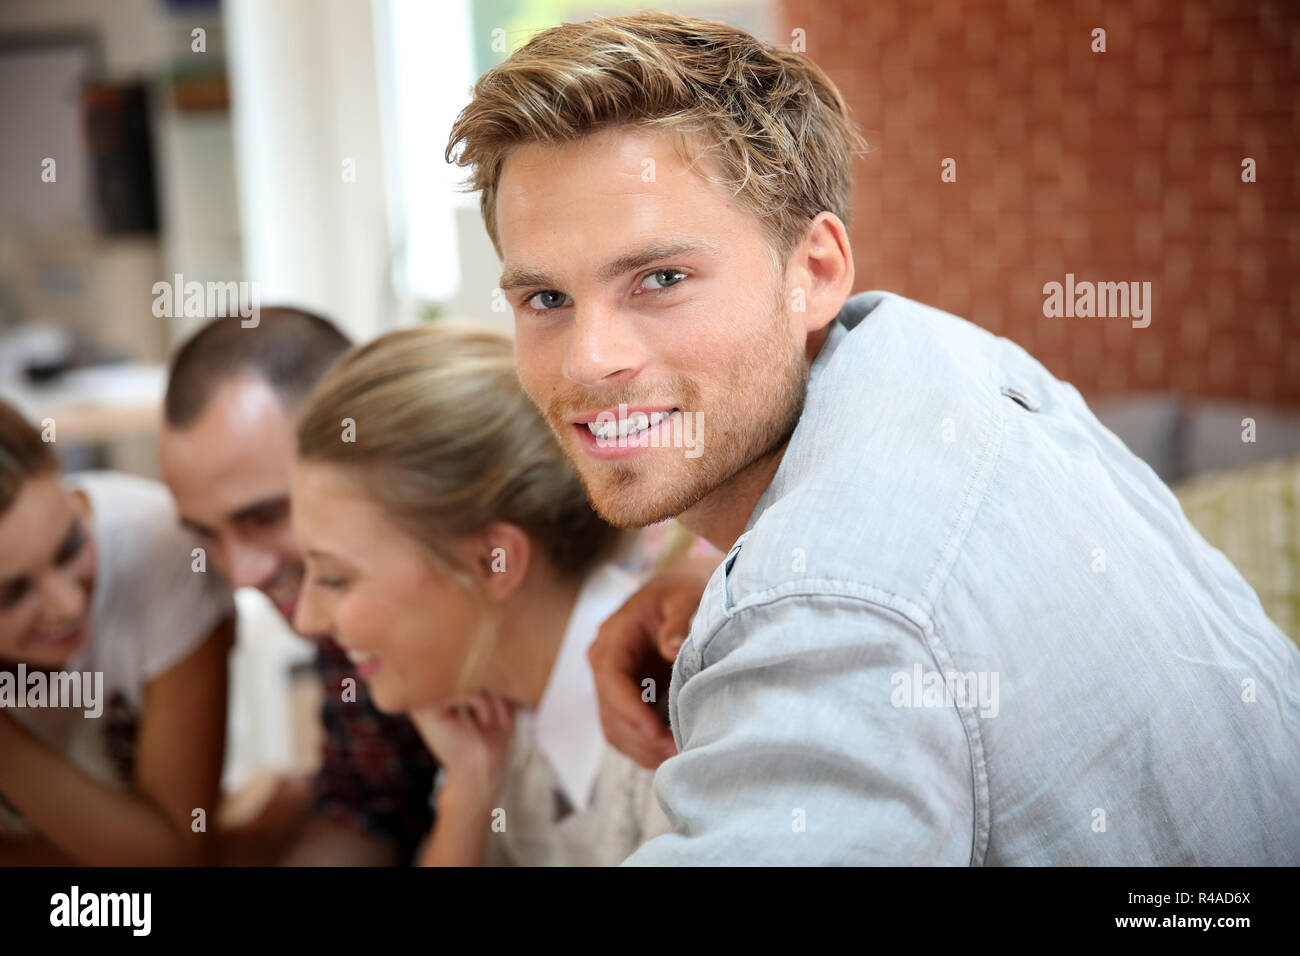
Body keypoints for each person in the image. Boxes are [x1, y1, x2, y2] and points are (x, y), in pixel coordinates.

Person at [445, 12, 1300, 864]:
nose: (591, 362)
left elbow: (851, 602)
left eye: (662, 279)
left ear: (814, 271)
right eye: (546, 300)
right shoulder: (935, 356)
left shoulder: (828, 614)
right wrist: (710, 582)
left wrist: (774, 598)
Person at [291, 324, 672, 865]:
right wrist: (469, 790)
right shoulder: (496, 718)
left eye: (335, 578)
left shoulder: (674, 730)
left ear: (492, 563)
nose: (306, 619)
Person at [159, 308, 438, 865]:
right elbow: (370, 809)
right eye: (207, 534)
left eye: (264, 517)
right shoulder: (337, 613)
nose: (242, 575)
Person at [0, 399, 233, 865]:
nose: (67, 605)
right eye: (11, 593)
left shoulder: (157, 546)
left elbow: (172, 858)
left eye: (70, 546)